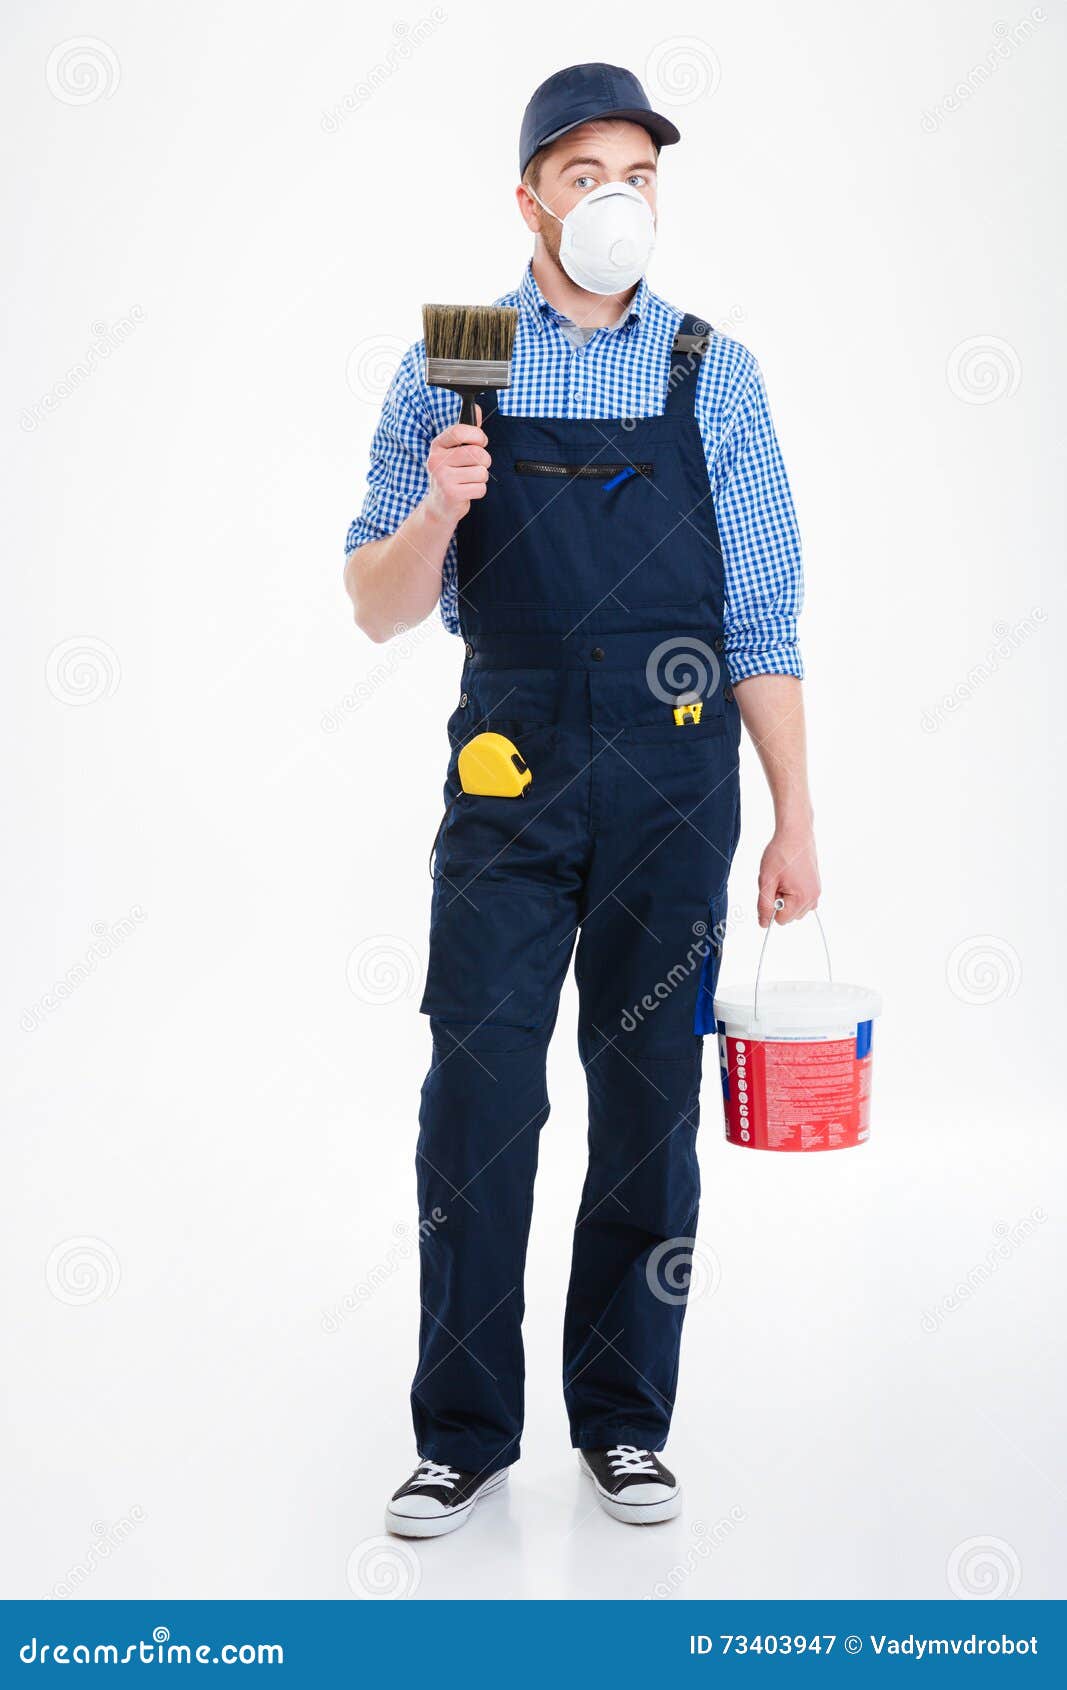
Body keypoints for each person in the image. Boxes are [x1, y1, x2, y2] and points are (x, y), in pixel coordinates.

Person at [344, 63, 819, 1537]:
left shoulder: (708, 367)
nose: (617, 198)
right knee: (478, 1098)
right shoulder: (455, 361)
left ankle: (622, 1421)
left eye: (639, 174)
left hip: (677, 787)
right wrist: (437, 506)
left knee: (645, 1106)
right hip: (509, 781)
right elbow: (374, 606)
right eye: (585, 173)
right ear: (530, 197)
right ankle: (464, 1433)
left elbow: (765, 614)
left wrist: (796, 811)